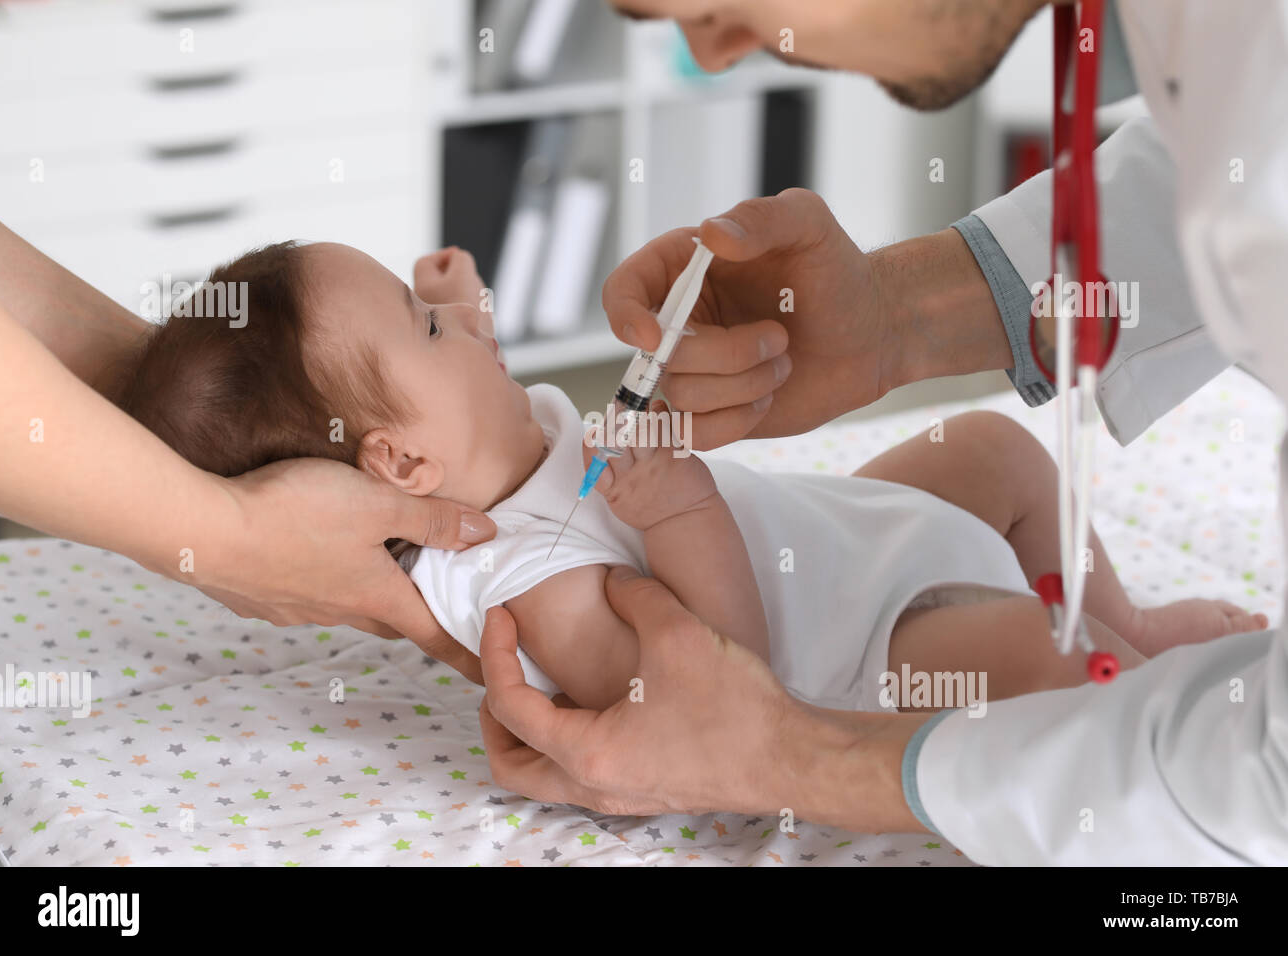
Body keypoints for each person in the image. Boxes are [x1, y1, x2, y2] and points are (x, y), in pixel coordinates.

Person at [478, 0, 1288, 863]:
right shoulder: (505, 565)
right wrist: (897, 318)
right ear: (399, 460)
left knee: (1026, 563)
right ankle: (1117, 639)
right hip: (864, 627)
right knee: (1025, 565)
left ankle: (1126, 637)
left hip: (858, 575)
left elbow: (1256, 796)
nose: (709, 57)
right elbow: (1222, 173)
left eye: (715, 2)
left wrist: (788, 757)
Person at [109, 239, 1268, 717]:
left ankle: (1122, 608)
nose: (459, 327)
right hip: (871, 648)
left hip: (857, 534)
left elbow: (462, 388)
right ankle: (1156, 681)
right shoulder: (530, 587)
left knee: (993, 448)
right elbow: (720, 683)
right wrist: (679, 506)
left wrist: (456, 302)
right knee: (1045, 661)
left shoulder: (488, 439)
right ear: (402, 463)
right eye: (427, 328)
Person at [0, 211, 497, 682]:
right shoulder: (514, 561)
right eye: (431, 326)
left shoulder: (458, 434)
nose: (467, 318)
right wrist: (230, 533)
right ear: (404, 461)